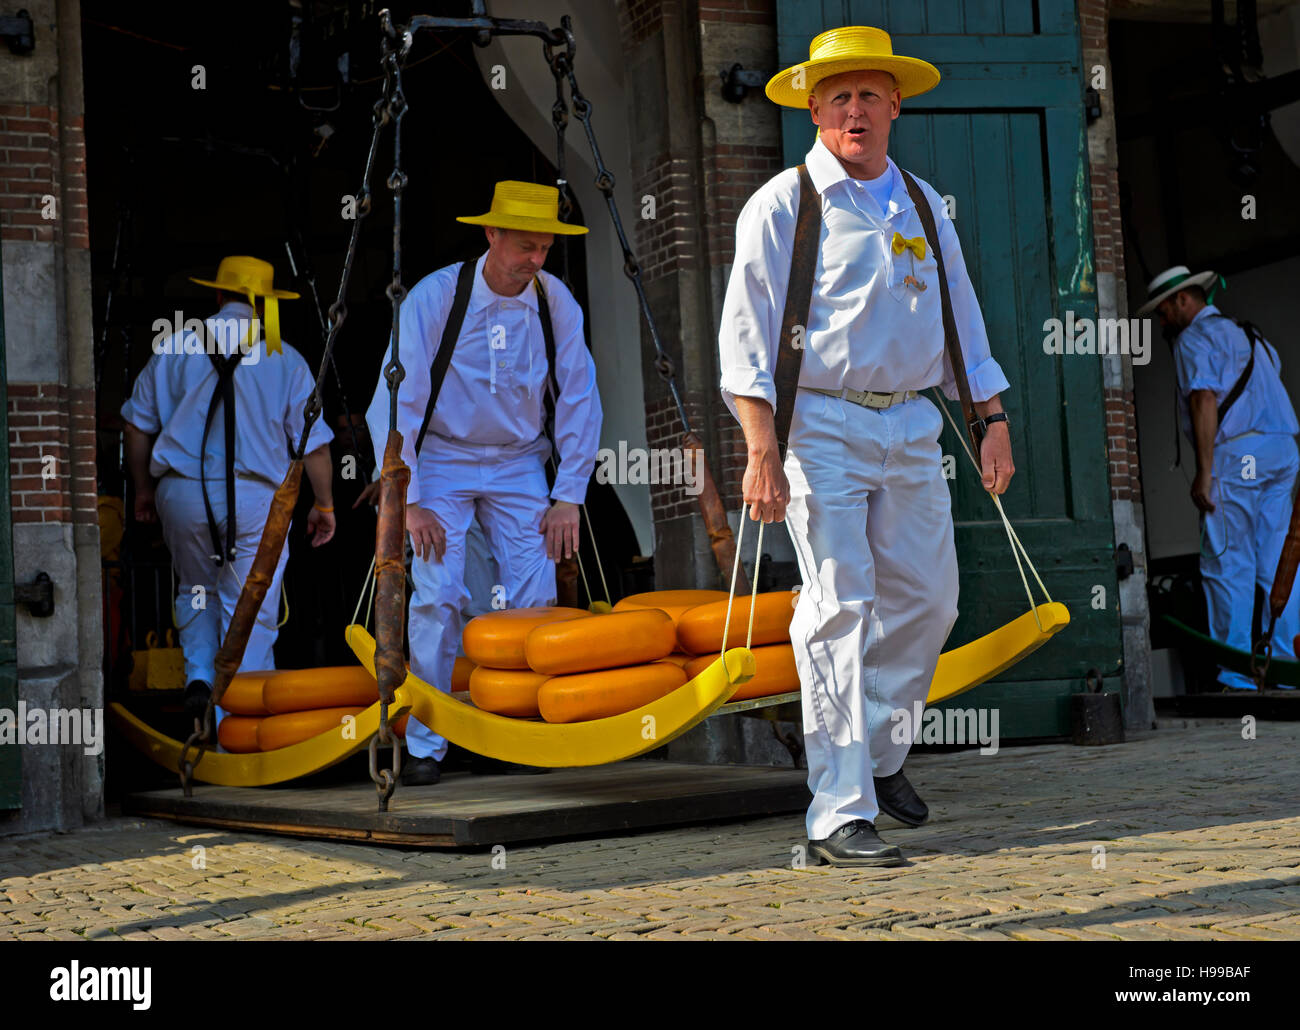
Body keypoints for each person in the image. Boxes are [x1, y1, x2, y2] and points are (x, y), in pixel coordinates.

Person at [718, 27, 1015, 866]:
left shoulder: (922, 202)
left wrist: (990, 419)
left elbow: (962, 320)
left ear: (896, 105)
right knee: (840, 605)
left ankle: (878, 759)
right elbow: (744, 340)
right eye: (839, 96)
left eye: (870, 94)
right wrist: (761, 450)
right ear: (813, 109)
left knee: (930, 603)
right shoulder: (782, 203)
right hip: (819, 423)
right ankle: (837, 812)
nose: (856, 110)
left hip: (915, 420)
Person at [365, 181, 602, 786]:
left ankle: (520, 729)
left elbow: (578, 397)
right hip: (440, 460)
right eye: (525, 246)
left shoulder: (555, 302)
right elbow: (396, 404)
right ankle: (425, 743)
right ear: (491, 235)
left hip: (521, 461)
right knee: (436, 594)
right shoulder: (436, 298)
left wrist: (568, 492)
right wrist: (410, 497)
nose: (535, 260)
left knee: (534, 592)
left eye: (545, 248)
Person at [123, 255, 337, 728]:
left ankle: (199, 677)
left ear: (218, 295)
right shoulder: (287, 358)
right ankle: (241, 722)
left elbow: (136, 427)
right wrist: (324, 505)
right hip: (256, 501)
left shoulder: (174, 346)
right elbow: (314, 447)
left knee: (196, 588)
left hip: (182, 495)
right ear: (264, 306)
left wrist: (142, 492)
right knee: (249, 603)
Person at [1140, 264, 1300, 689]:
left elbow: (1204, 400)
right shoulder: (1251, 334)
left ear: (1182, 301)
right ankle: (1284, 665)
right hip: (1282, 448)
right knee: (1279, 560)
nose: (1161, 321)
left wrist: (1205, 474)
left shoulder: (1194, 337)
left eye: (1163, 311)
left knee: (1227, 562)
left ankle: (1237, 674)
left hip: (1239, 455)